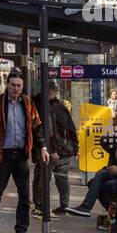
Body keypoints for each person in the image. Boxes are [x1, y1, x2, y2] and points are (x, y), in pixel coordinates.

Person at [0, 69, 48, 233]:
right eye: (13, 85)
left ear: (22, 86)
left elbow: (37, 127)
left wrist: (43, 147)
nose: (16, 88)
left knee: (24, 195)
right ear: (7, 85)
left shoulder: (27, 103)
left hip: (21, 155)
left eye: (19, 85)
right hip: (2, 155)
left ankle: (21, 230)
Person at [32, 83, 78, 216]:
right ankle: (57, 205)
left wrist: (72, 147)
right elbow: (67, 129)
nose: (53, 93)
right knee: (54, 177)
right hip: (54, 149)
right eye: (52, 90)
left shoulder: (48, 107)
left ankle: (43, 205)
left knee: (45, 177)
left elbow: (63, 129)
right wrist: (73, 147)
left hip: (56, 150)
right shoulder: (52, 107)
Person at [66, 135, 117, 217]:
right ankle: (110, 212)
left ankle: (88, 207)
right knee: (94, 181)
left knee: (101, 182)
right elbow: (104, 141)